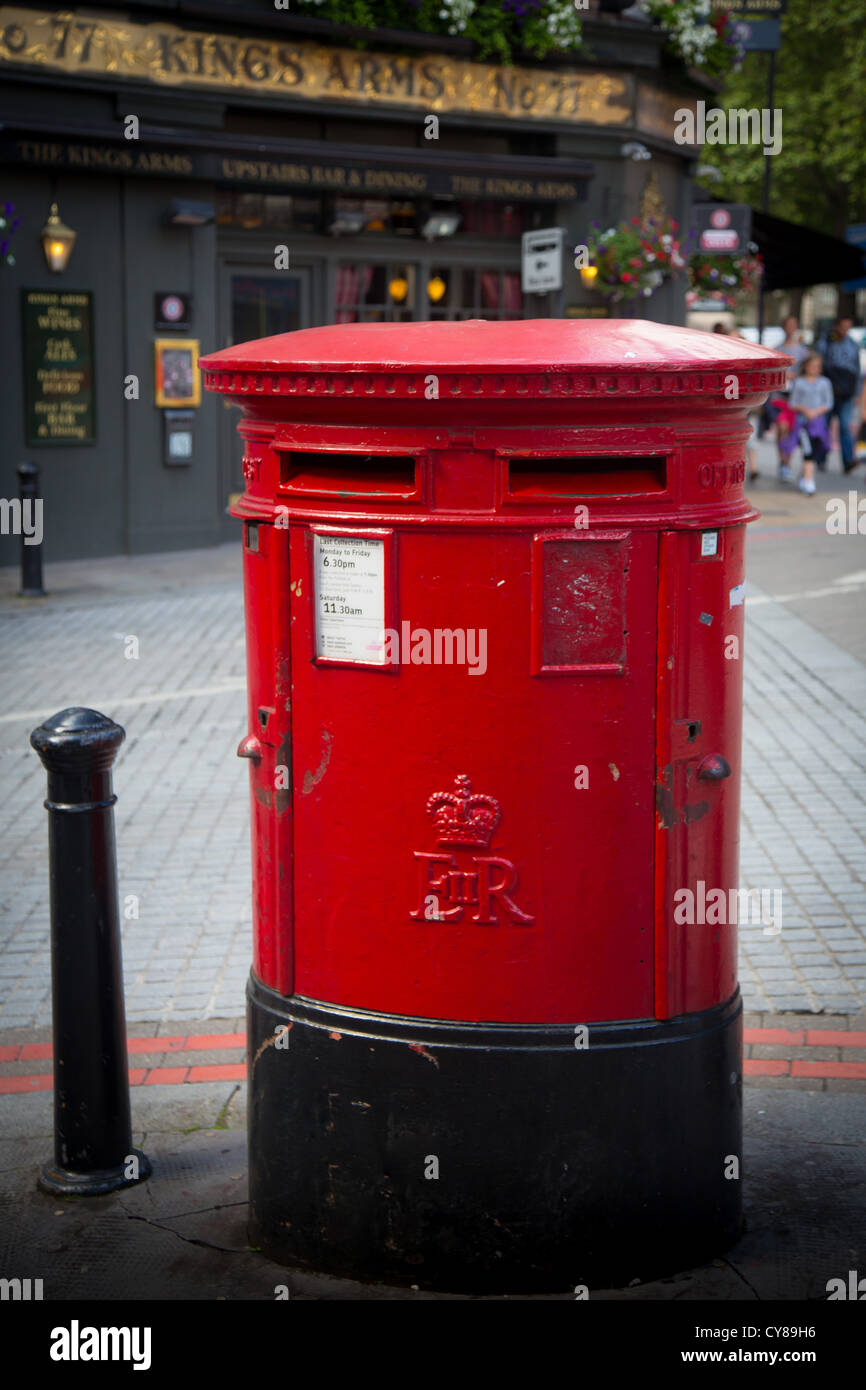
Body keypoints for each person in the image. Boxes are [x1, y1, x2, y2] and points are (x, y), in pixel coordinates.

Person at [781, 352, 833, 494]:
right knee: (807, 449)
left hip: (818, 424)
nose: (814, 369)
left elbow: (828, 402)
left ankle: (805, 476)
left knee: (814, 451)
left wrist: (817, 411)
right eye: (811, 366)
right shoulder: (799, 382)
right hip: (803, 423)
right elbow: (792, 402)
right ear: (805, 367)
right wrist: (804, 410)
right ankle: (809, 481)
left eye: (817, 367)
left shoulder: (825, 382)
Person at [815, 316, 862, 473]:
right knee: (825, 425)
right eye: (842, 327)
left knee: (845, 427)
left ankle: (848, 460)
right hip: (829, 391)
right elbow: (818, 364)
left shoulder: (854, 345)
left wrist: (857, 392)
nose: (844, 331)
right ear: (836, 326)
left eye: (847, 328)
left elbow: (857, 371)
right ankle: (821, 458)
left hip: (846, 392)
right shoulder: (826, 343)